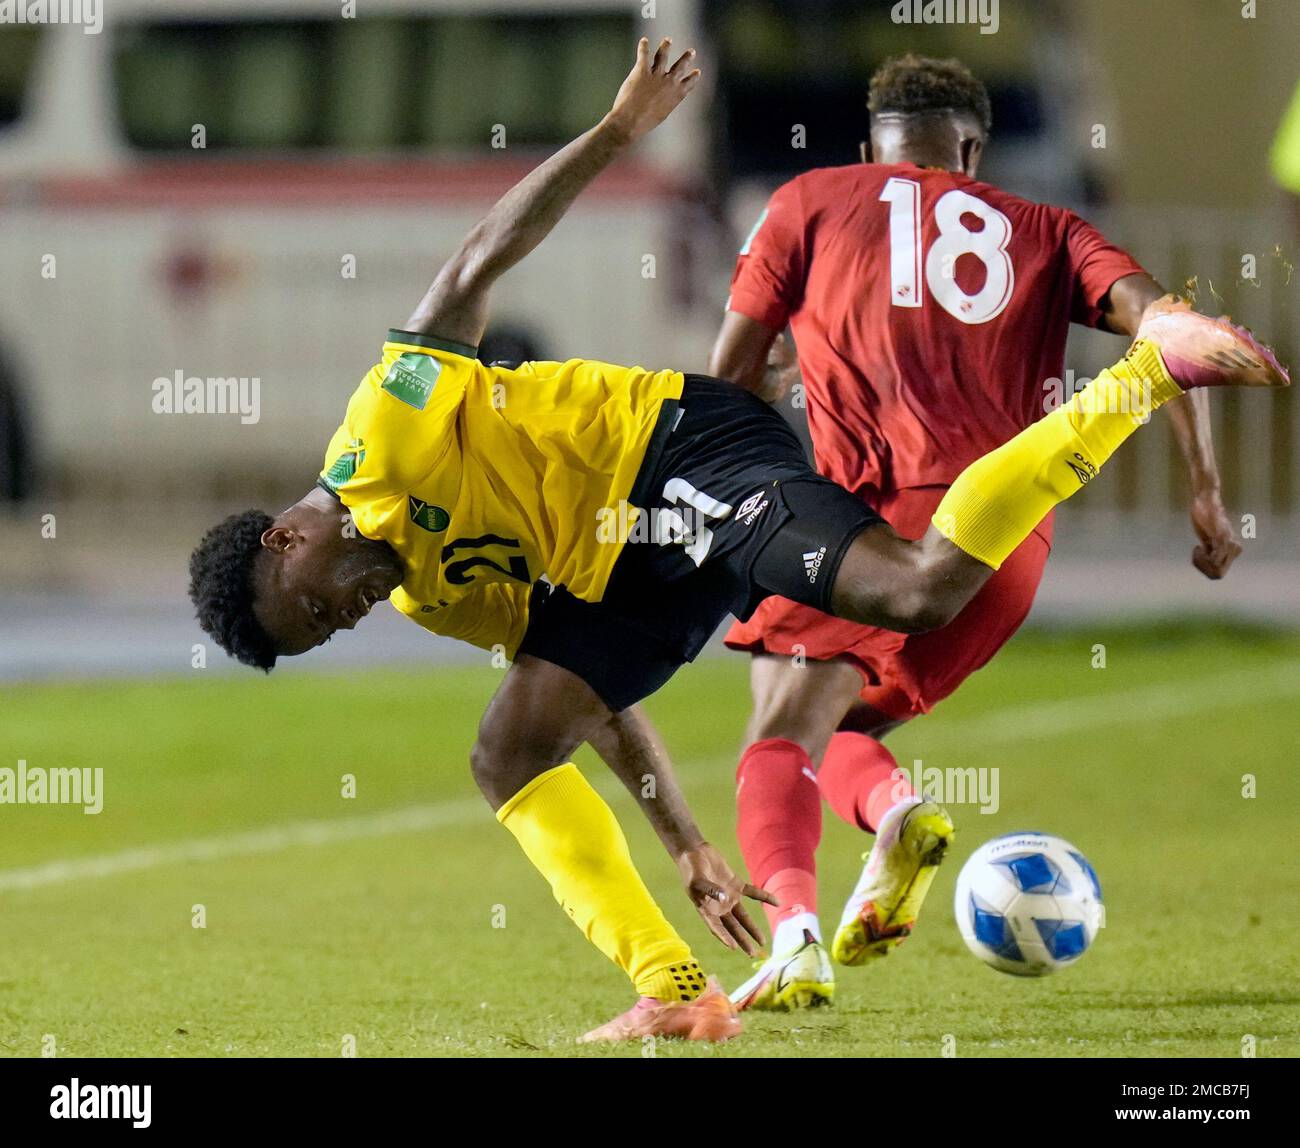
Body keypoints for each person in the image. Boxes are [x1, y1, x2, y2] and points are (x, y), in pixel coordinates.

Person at [187, 41, 1288, 1042]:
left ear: (291, 536)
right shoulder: (433, 591)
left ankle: (1147, 369)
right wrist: (681, 842)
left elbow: (473, 266)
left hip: (677, 454)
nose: (353, 612)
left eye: (323, 603)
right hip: (636, 561)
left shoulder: (383, 434)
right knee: (511, 747)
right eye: (334, 631)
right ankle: (676, 987)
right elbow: (597, 686)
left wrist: (617, 135)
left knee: (915, 593)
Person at [707, 54, 1250, 1010]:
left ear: (873, 144)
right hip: (1003, 541)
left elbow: (727, 382)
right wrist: (1206, 495)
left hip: (862, 524)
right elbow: (1167, 333)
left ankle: (793, 935)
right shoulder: (1047, 229)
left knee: (775, 731)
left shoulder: (811, 199)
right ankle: (895, 812)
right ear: (971, 146)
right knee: (839, 719)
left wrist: (786, 381)